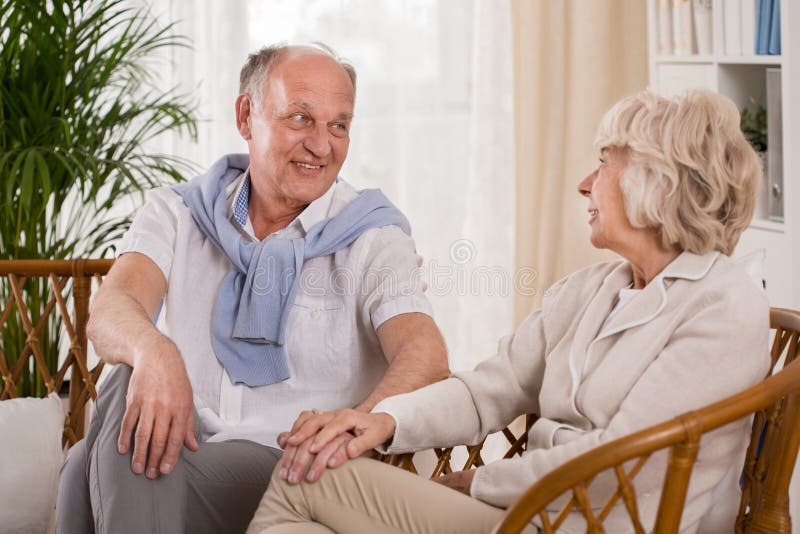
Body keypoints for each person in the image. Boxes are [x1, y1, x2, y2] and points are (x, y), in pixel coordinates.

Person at [247, 89, 770, 534]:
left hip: (583, 522)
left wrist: (479, 481)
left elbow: (625, 460)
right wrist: (380, 421)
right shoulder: (589, 290)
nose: (585, 183)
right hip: (525, 513)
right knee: (306, 510)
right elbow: (486, 392)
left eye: (605, 163)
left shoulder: (721, 304)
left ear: (659, 179)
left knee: (304, 478)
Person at [55, 43, 449, 534]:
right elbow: (113, 308)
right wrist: (155, 351)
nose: (321, 145)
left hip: (289, 466)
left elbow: (425, 354)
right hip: (187, 444)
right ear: (246, 115)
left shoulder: (372, 236)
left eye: (338, 125)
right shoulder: (179, 212)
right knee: (125, 379)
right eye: (301, 118)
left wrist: (358, 419)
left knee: (84, 468)